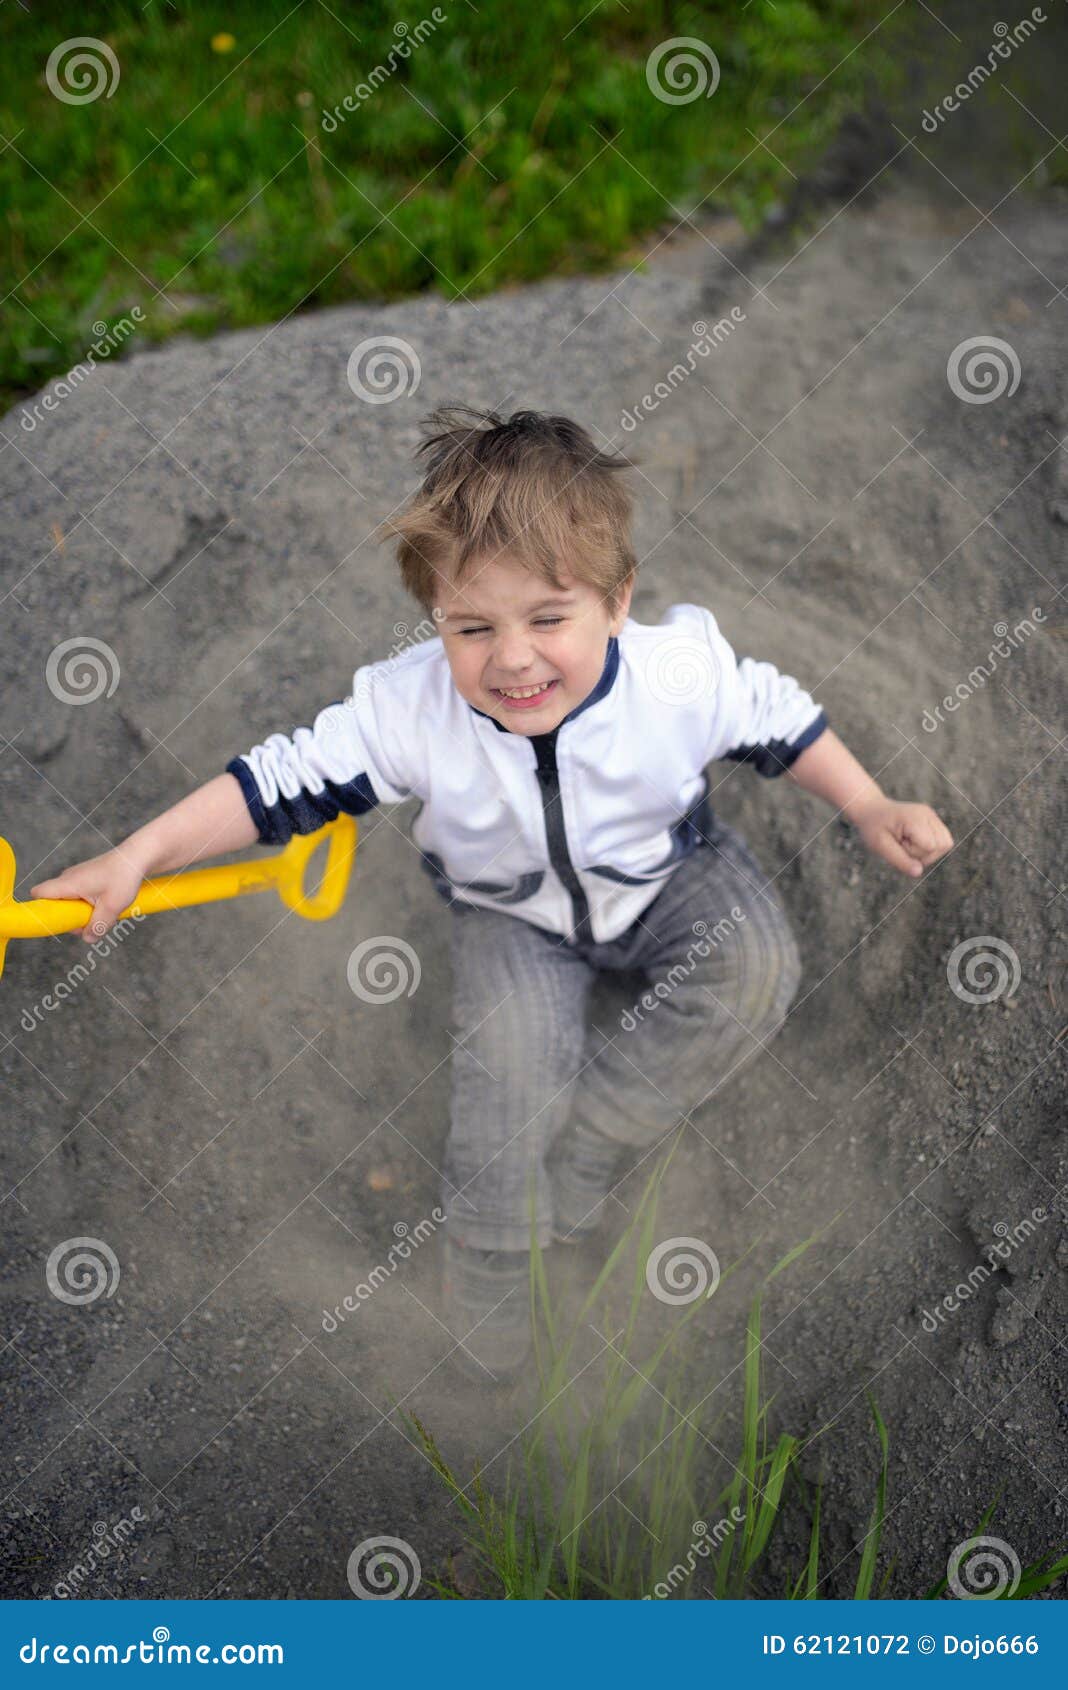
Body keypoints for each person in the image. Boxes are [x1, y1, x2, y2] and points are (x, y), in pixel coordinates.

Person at [30, 406, 953, 1384]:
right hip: (513, 918)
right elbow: (277, 782)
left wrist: (865, 800)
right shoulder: (409, 709)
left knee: (756, 969)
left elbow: (781, 717)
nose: (512, 659)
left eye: (548, 618)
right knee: (504, 1095)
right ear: (434, 619)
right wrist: (142, 853)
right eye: (472, 627)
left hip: (673, 874)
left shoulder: (679, 675)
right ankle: (488, 1271)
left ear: (617, 600)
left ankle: (599, 1134)